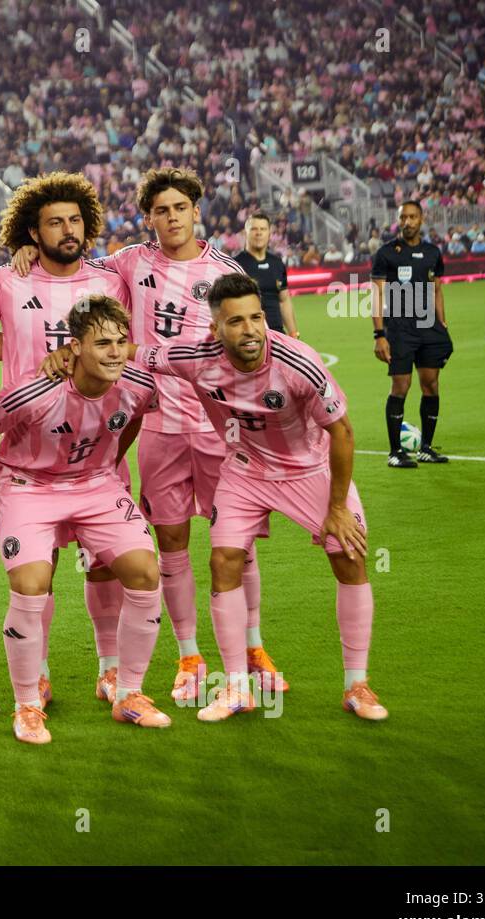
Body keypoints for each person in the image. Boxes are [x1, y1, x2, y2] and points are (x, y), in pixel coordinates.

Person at [123, 273, 386, 722]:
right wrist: (75, 349)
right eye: (236, 322)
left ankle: (357, 686)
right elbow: (133, 352)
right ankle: (237, 687)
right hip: (246, 469)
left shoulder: (298, 363)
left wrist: (338, 507)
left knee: (350, 556)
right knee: (224, 559)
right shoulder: (194, 356)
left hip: (310, 469)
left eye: (256, 318)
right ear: (215, 330)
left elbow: (341, 431)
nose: (249, 330)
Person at [99, 168, 281, 703]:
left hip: (219, 427)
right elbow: (72, 272)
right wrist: (22, 252)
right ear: (148, 217)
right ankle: (189, 655)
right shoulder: (130, 262)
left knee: (237, 543)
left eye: (181, 207)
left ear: (196, 211)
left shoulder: (225, 270)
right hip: (158, 424)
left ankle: (252, 647)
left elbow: (252, 341)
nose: (172, 217)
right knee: (171, 542)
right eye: (161, 210)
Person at [0, 296, 165, 745]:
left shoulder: (139, 384)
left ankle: (129, 692)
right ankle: (27, 704)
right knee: (32, 581)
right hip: (28, 485)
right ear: (74, 347)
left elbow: (134, 417)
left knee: (144, 571)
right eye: (103, 343)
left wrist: (112, 459)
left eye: (121, 341)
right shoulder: (35, 391)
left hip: (96, 483)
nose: (116, 352)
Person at [0, 171, 132, 707]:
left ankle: (111, 668)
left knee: (108, 563)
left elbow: (126, 351)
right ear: (32, 231)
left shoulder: (110, 281)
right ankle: (38, 673)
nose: (67, 229)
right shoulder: (5, 282)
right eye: (53, 222)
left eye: (74, 219)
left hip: (95, 452)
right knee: (35, 575)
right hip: (27, 454)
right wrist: (28, 368)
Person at [372, 201, 452, 467]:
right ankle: (395, 452)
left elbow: (437, 289)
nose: (408, 221)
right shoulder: (387, 253)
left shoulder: (432, 252)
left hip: (428, 326)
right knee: (401, 386)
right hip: (399, 329)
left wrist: (442, 322)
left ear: (421, 219)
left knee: (430, 384)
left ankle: (426, 448)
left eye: (413, 217)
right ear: (398, 220)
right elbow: (377, 294)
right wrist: (379, 335)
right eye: (403, 217)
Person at [233, 211, 299, 337]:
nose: (259, 233)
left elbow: (284, 300)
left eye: (263, 229)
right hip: (250, 335)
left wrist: (293, 333)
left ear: (269, 233)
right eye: (254, 229)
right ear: (245, 233)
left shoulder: (277, 263)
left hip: (278, 335)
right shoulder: (235, 265)